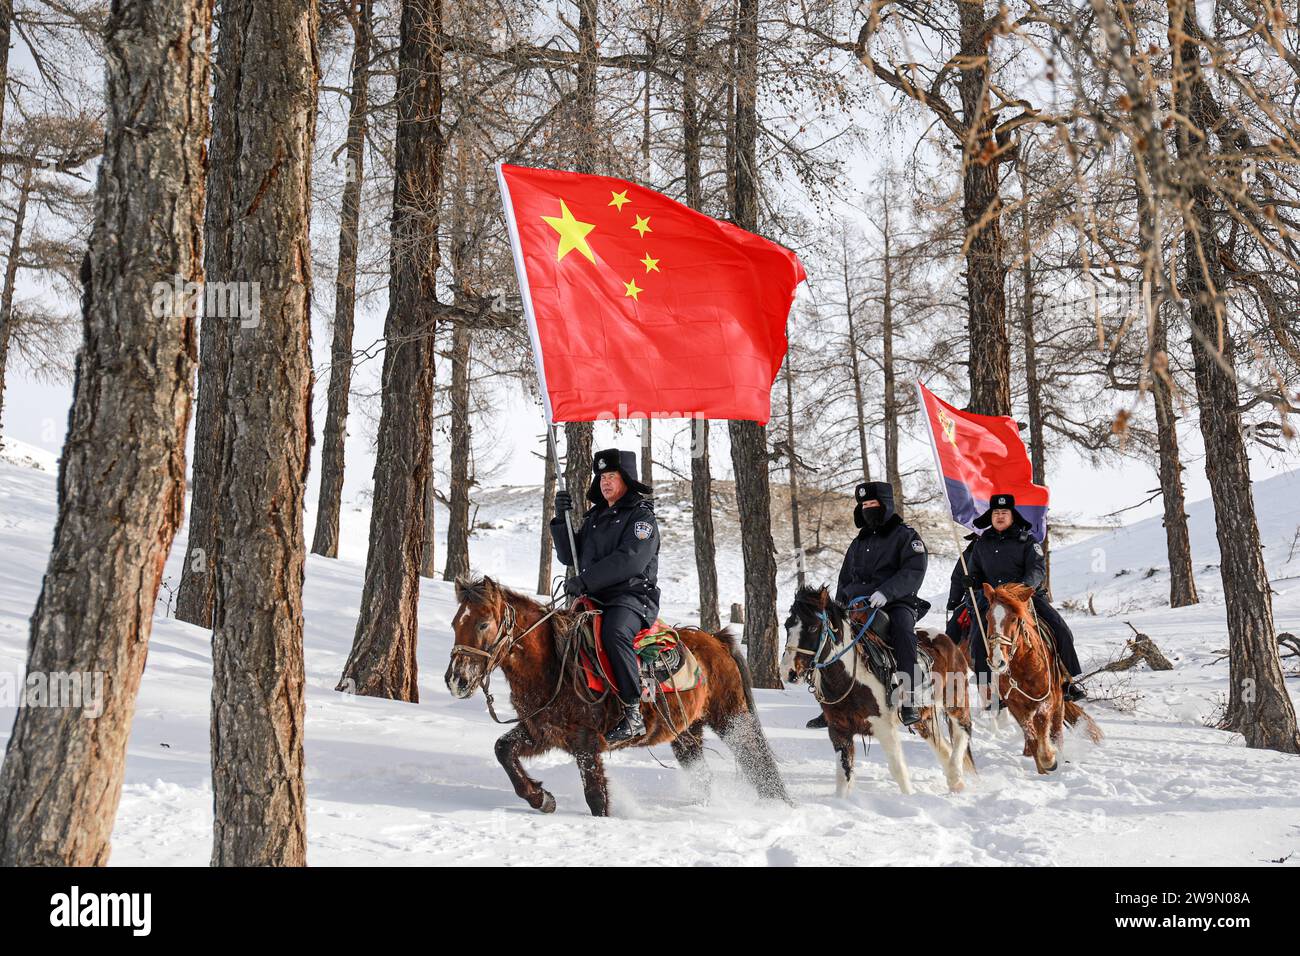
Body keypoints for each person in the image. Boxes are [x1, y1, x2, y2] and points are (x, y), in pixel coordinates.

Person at [552, 448, 660, 742]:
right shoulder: (596, 517)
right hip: (595, 598)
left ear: (627, 479)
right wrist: (560, 519)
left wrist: (585, 581)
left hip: (631, 598)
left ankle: (632, 711)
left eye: (611, 475)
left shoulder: (641, 519)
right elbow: (568, 555)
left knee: (614, 633)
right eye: (601, 476)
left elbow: (631, 560)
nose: (605, 481)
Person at [809, 480, 930, 728]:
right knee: (830, 639)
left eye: (873, 503)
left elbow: (914, 569)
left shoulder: (906, 536)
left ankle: (910, 700)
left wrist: (887, 592)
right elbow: (844, 578)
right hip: (856, 606)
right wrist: (840, 606)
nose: (868, 508)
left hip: (894, 603)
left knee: (903, 633)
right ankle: (830, 704)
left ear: (885, 505)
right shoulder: (858, 542)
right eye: (864, 504)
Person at [945, 493, 1086, 703]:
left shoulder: (1027, 541)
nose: (1000, 516)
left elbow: (1037, 570)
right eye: (996, 513)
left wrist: (1022, 589)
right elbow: (975, 573)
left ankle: (1066, 680)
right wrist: (970, 581)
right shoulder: (982, 543)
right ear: (990, 517)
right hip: (992, 600)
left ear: (1012, 516)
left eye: (1004, 512)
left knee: (1061, 629)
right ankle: (989, 688)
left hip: (1025, 596)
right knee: (977, 639)